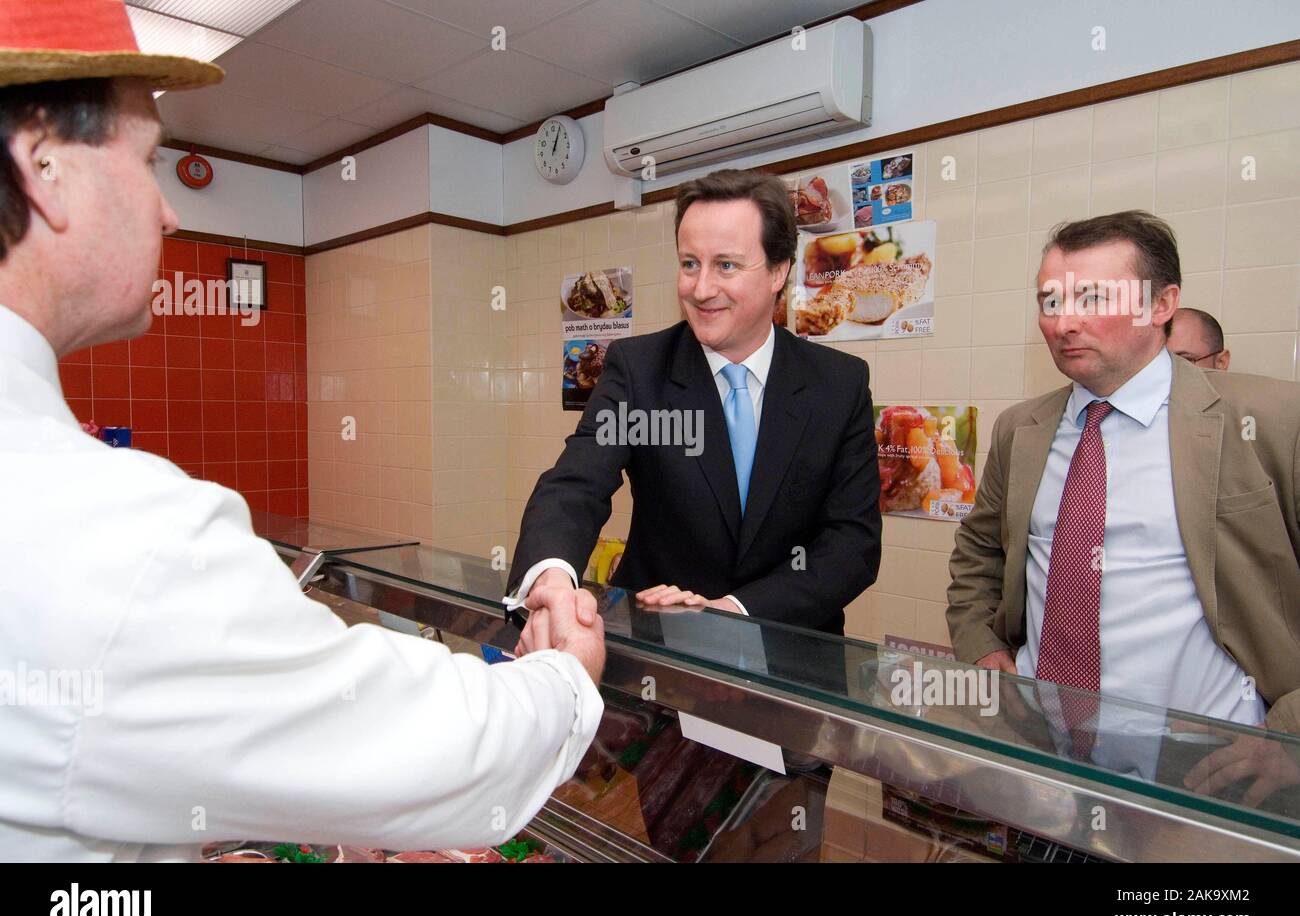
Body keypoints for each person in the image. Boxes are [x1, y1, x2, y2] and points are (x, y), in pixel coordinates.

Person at [0, 0, 604, 862]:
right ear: (42, 170)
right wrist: (565, 677)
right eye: (148, 160)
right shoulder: (109, 531)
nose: (169, 213)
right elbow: (412, 752)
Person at [947, 210, 1300, 741]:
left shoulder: (1270, 420)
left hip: (1209, 757)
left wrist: (1290, 734)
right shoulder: (1022, 429)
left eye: (1092, 298)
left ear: (1162, 304)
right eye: (1051, 301)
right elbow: (980, 553)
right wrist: (983, 645)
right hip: (1045, 740)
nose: (1063, 322)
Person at [508, 168, 881, 650]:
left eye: (726, 265)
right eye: (689, 264)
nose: (701, 289)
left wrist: (732, 611)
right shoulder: (639, 370)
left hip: (793, 657)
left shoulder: (839, 383)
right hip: (662, 652)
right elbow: (576, 485)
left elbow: (851, 544)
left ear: (778, 271)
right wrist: (553, 578)